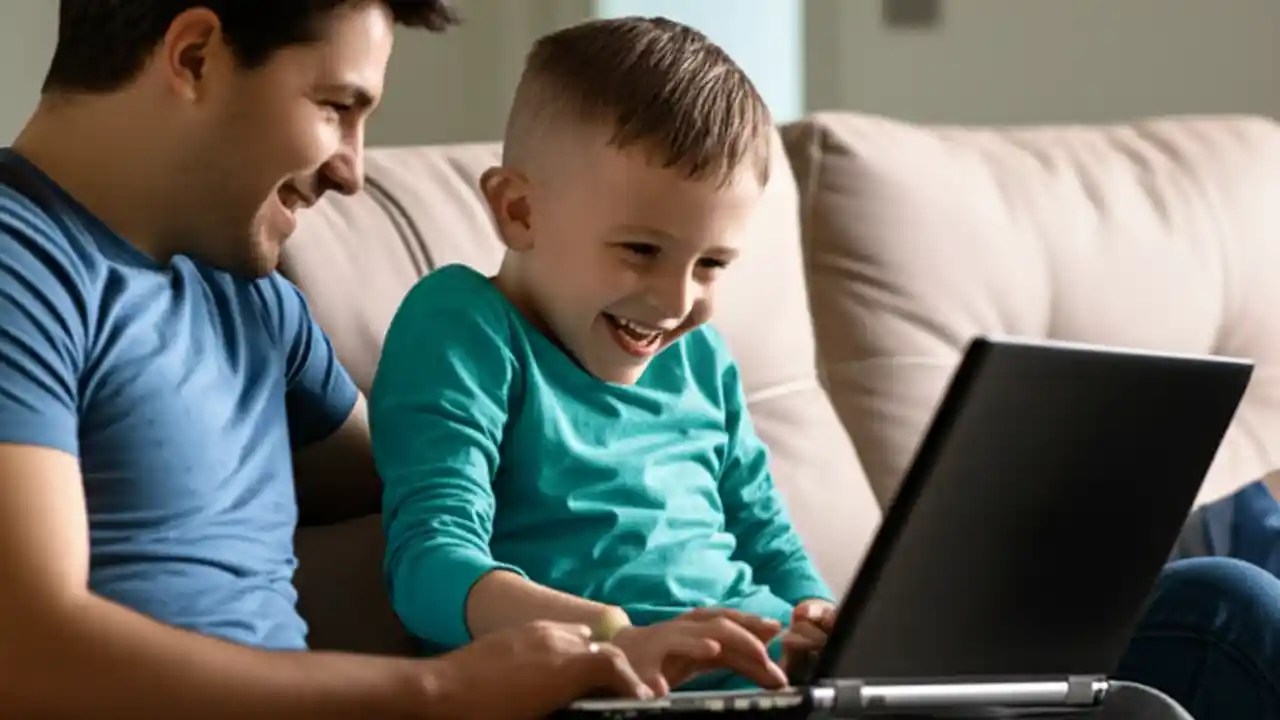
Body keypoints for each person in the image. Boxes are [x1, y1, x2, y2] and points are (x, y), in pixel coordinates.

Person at [0, 2, 787, 718]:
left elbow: (436, 481)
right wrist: (446, 690)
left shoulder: (252, 299)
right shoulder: (23, 264)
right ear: (196, 56)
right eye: (336, 107)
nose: (352, 170)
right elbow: (28, 650)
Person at [370, 15, 834, 694]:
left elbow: (765, 534)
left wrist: (821, 619)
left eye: (710, 264)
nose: (677, 303)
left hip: (767, 681)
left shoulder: (701, 355)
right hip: (614, 684)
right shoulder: (465, 325)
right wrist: (617, 637)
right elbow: (429, 568)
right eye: (641, 250)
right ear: (519, 211)